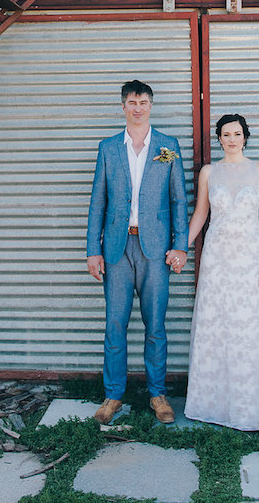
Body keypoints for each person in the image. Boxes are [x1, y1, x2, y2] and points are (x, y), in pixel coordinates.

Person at [86, 79, 189, 425]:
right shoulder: (108, 148)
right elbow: (97, 202)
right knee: (115, 324)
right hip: (116, 249)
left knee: (155, 325)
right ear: (123, 106)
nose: (138, 107)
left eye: (143, 101)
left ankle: (157, 394)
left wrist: (180, 245)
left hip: (155, 250)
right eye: (132, 101)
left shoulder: (168, 146)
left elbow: (178, 199)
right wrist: (92, 250)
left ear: (151, 105)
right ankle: (113, 395)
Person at [183, 113, 259, 430]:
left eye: (236, 133)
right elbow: (201, 214)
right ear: (219, 138)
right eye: (225, 134)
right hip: (217, 261)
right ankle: (213, 404)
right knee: (217, 328)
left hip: (249, 259)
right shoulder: (209, 173)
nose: (231, 139)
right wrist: (180, 246)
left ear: (245, 136)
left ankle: (248, 407)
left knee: (247, 330)